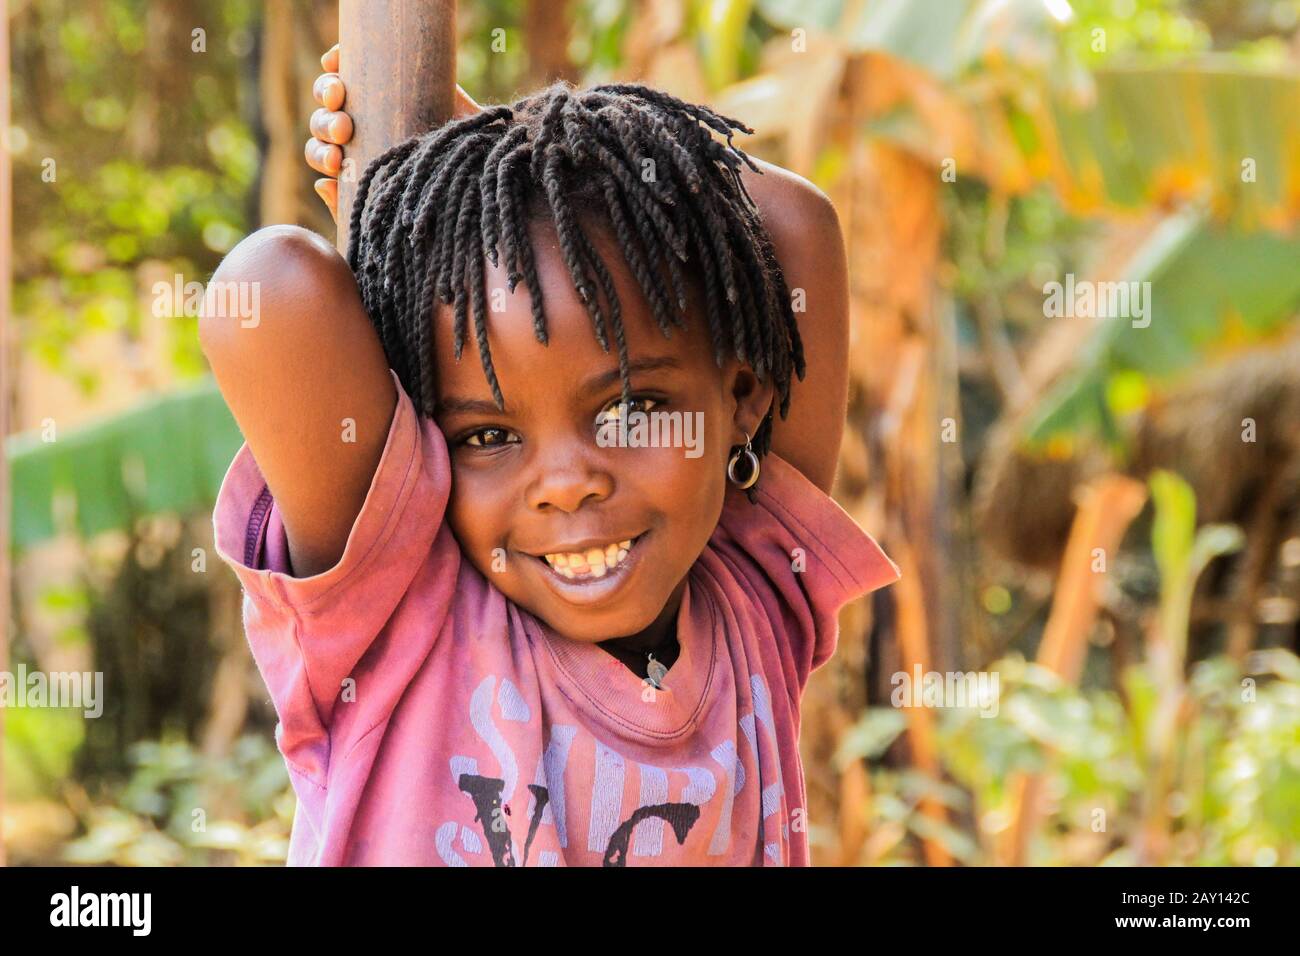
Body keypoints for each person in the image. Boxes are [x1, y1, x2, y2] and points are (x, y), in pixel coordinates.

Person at [200, 43, 899, 866]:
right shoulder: (401, 621)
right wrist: (450, 178)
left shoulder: (754, 596)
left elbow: (795, 228)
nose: (567, 486)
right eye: (488, 436)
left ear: (741, 401)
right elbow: (267, 292)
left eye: (631, 409)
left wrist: (536, 161)